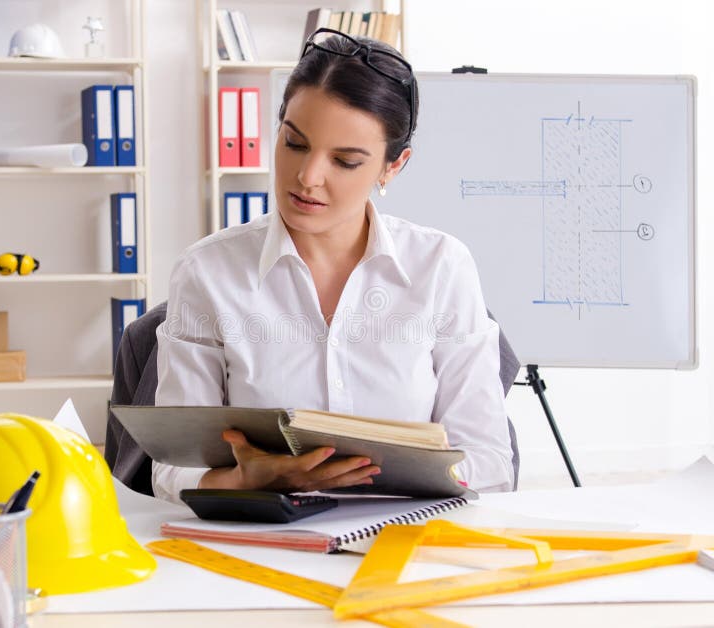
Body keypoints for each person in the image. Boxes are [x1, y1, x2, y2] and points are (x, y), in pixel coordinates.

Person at [153, 29, 514, 501]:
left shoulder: (441, 267)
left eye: (345, 161)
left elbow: (489, 461)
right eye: (295, 143)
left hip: (407, 536)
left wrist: (413, 480)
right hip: (267, 540)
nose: (308, 177)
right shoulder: (208, 273)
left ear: (392, 166)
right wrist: (247, 480)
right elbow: (172, 469)